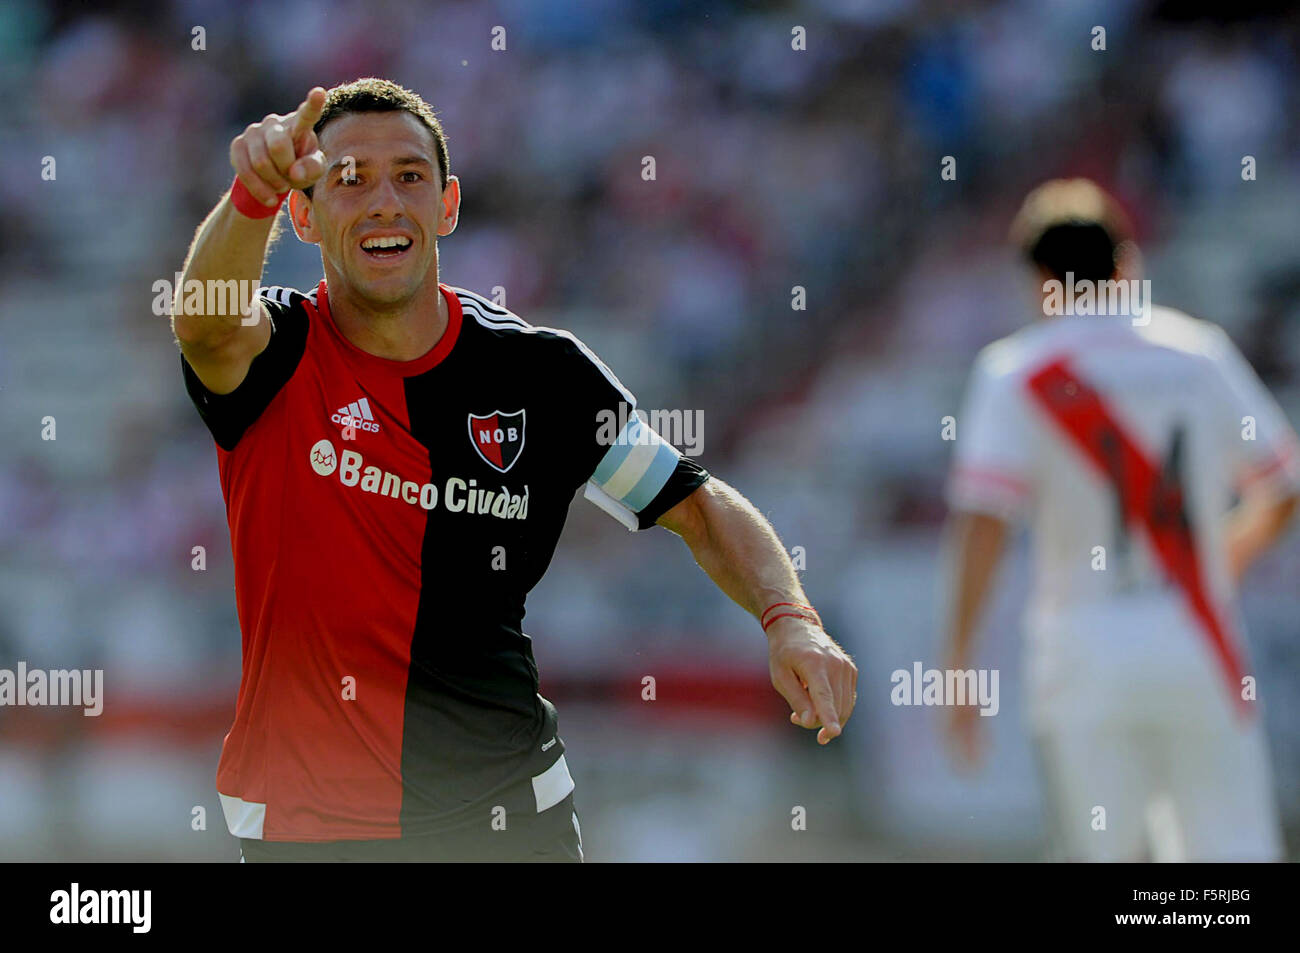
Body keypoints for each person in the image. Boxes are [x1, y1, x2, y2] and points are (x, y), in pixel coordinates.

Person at [171, 77, 857, 862]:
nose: (384, 200)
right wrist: (252, 192)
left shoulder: (543, 377)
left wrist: (790, 620)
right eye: (348, 179)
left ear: (449, 204)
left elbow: (696, 505)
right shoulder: (277, 356)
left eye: (409, 176)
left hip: (505, 816)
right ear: (304, 211)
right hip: (308, 830)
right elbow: (205, 324)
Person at [941, 178, 1298, 861]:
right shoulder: (1198, 352)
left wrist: (958, 662)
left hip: (1082, 643)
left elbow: (983, 522)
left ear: (1040, 279)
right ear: (1127, 263)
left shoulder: (1016, 372)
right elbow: (1283, 483)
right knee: (1230, 863)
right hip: (1197, 628)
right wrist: (1221, 559)